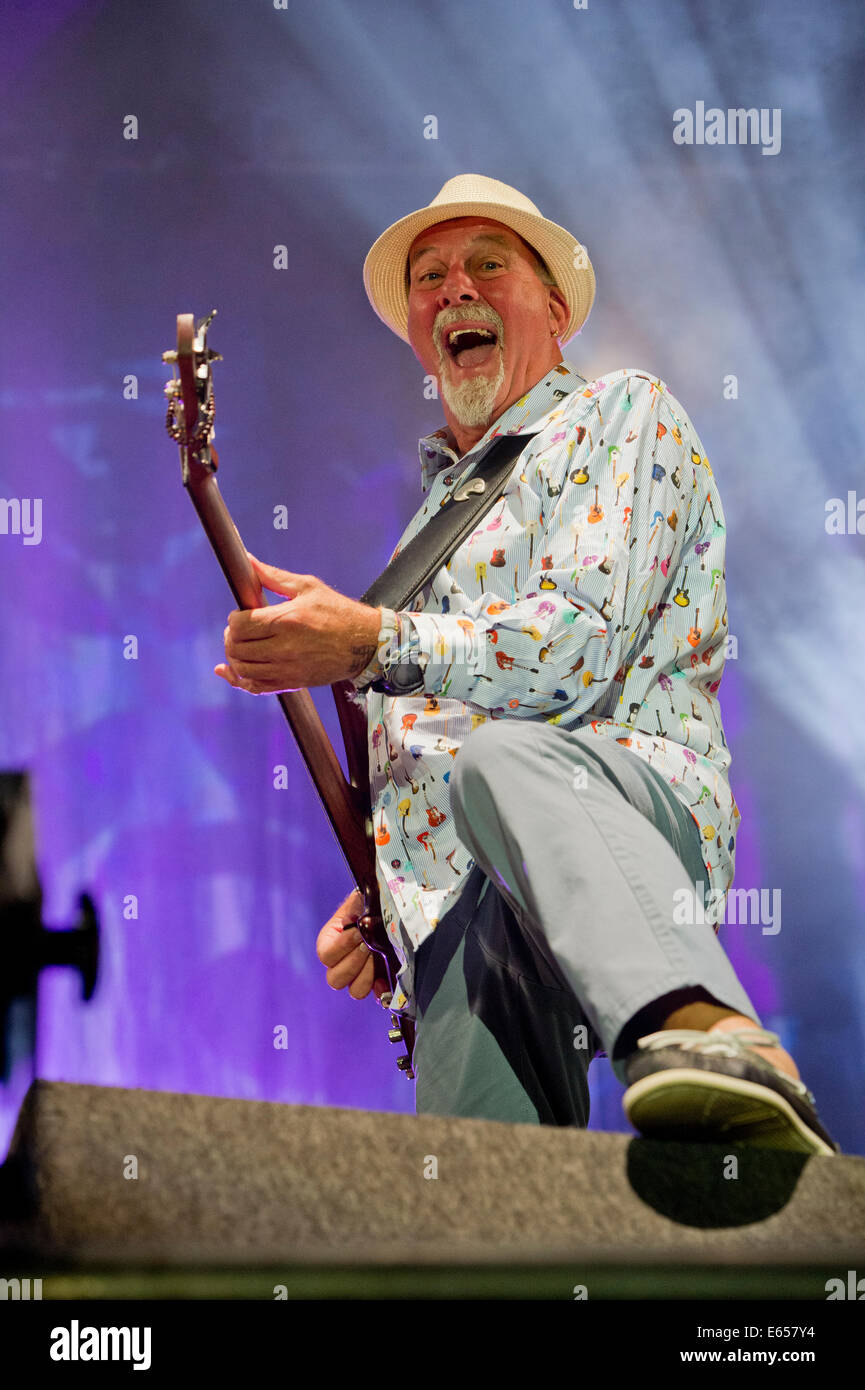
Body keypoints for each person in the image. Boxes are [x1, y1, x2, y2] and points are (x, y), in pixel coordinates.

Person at [216, 174, 838, 1155]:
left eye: (486, 265)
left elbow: (576, 647)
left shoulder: (618, 416)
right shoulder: (427, 531)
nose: (453, 287)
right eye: (430, 275)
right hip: (469, 905)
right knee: (481, 1204)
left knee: (502, 760)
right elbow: (433, 752)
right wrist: (386, 885)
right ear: (418, 330)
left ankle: (710, 1035)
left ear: (552, 308)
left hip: (626, 817)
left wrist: (370, 640)